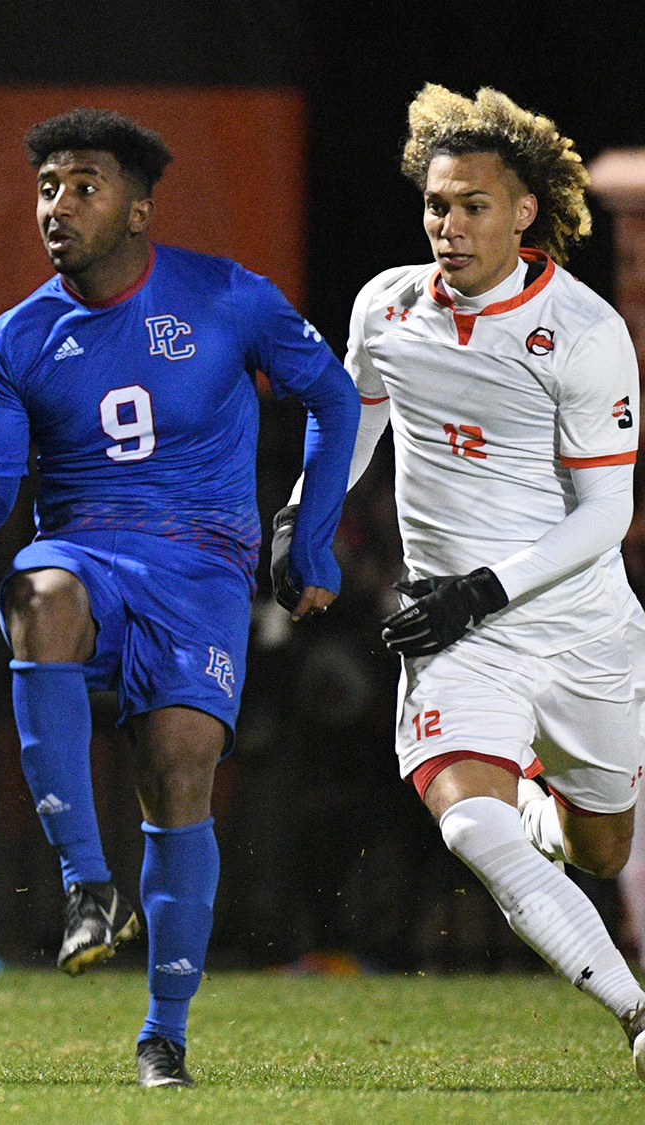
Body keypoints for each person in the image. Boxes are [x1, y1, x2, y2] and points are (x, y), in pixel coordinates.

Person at [0, 108, 359, 1088]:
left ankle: (164, 1031)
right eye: (46, 188)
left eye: (84, 186)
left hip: (202, 569)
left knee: (177, 771)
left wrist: (308, 536)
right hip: (85, 548)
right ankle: (86, 883)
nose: (57, 206)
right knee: (37, 592)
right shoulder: (18, 338)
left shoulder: (226, 296)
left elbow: (333, 396)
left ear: (138, 209)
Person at [317, 84, 644, 1081]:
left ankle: (544, 806)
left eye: (471, 206)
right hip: (452, 632)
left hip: (577, 626)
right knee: (469, 825)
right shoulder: (386, 304)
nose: (448, 225)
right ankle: (636, 1011)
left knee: (598, 850)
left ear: (522, 212)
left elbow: (605, 515)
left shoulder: (582, 331)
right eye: (435, 205)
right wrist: (304, 512)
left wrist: (486, 587)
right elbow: (358, 417)